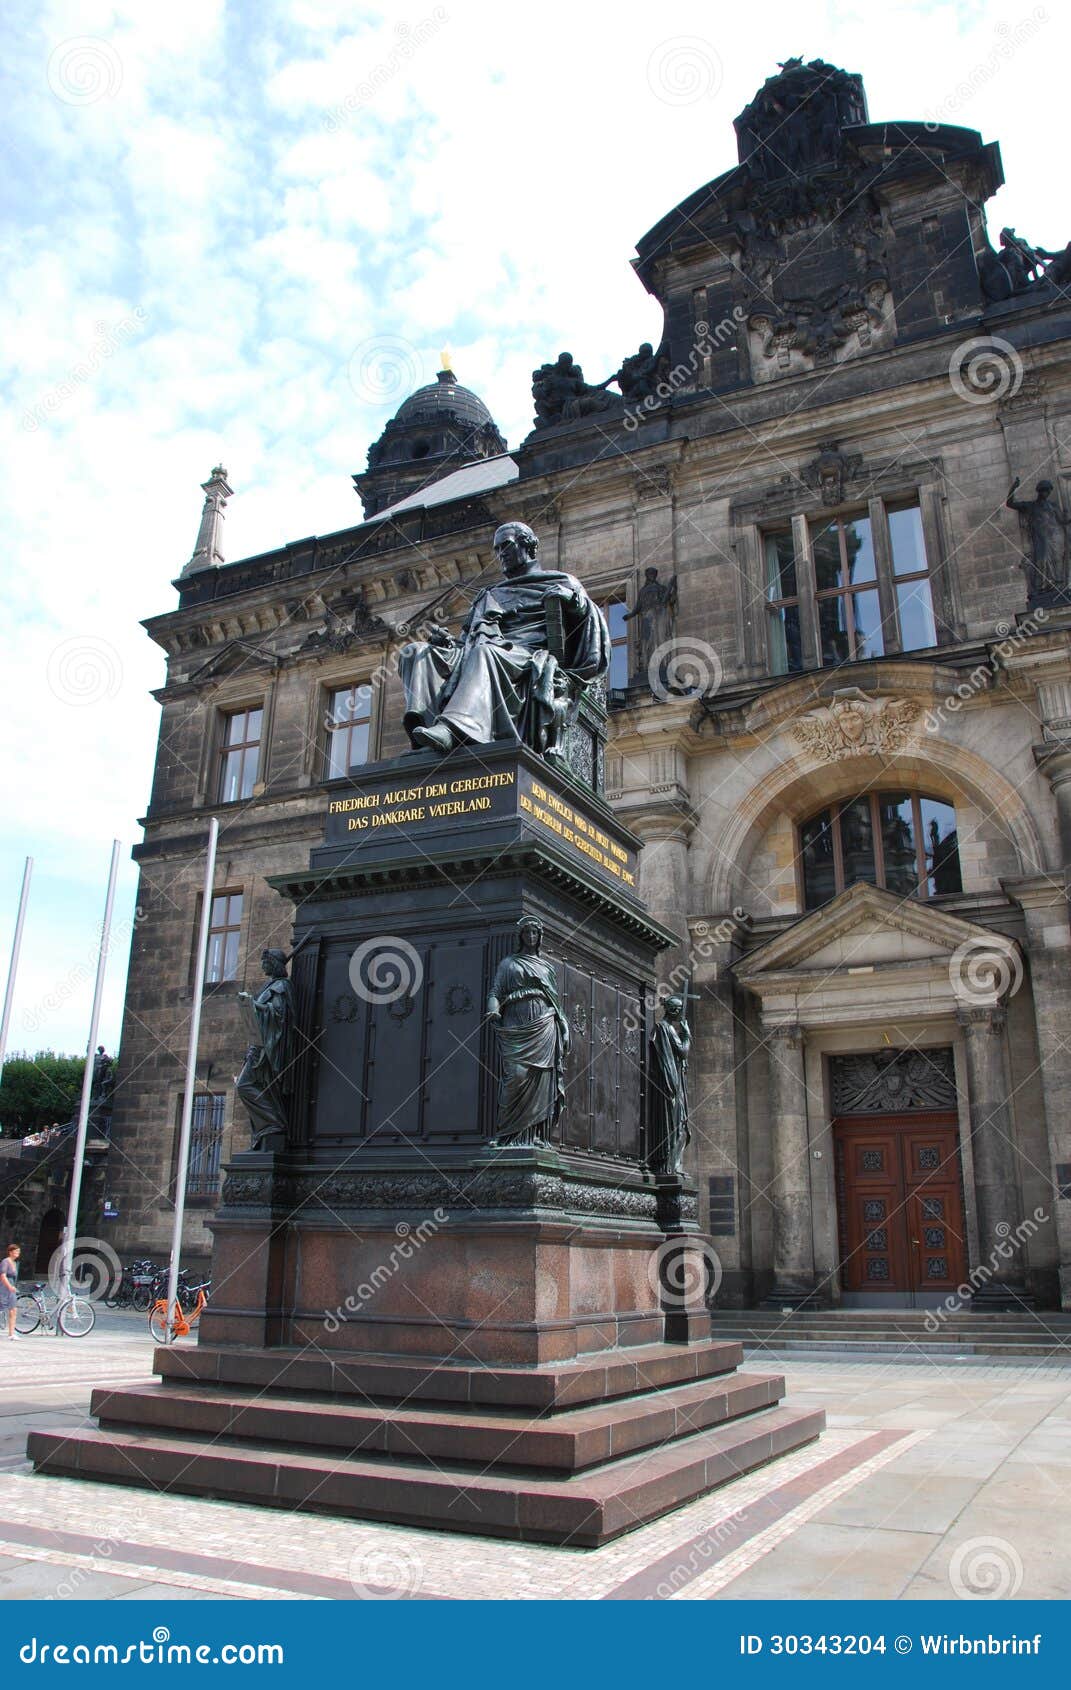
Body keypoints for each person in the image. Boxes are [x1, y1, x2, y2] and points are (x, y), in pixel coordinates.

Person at [399, 521, 609, 760]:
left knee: (485, 652)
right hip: (486, 651)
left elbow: (593, 623)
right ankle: (425, 735)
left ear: (528, 546)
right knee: (416, 652)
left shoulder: (561, 582)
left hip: (526, 655)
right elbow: (467, 642)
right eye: (497, 549)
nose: (501, 554)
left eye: (506, 546)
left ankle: (451, 729)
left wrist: (574, 602)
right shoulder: (490, 593)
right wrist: (447, 643)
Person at [487, 917, 569, 1147]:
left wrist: (563, 1026)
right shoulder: (509, 964)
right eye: (527, 933)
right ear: (520, 936)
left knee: (542, 1079)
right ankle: (507, 1135)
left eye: (535, 933)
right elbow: (495, 991)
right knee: (516, 1076)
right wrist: (493, 1009)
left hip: (544, 1023)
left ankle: (536, 1136)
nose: (531, 937)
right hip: (515, 1022)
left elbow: (555, 1001)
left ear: (539, 937)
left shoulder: (546, 968)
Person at [0, 1245, 21, 1341]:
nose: (18, 1253)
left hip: (11, 1288)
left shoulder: (15, 1263)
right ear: (10, 1252)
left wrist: (12, 1287)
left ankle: (11, 1333)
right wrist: (9, 1287)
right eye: (16, 1251)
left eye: (18, 1251)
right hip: (4, 1288)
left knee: (13, 1310)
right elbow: (3, 1276)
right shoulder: (5, 1261)